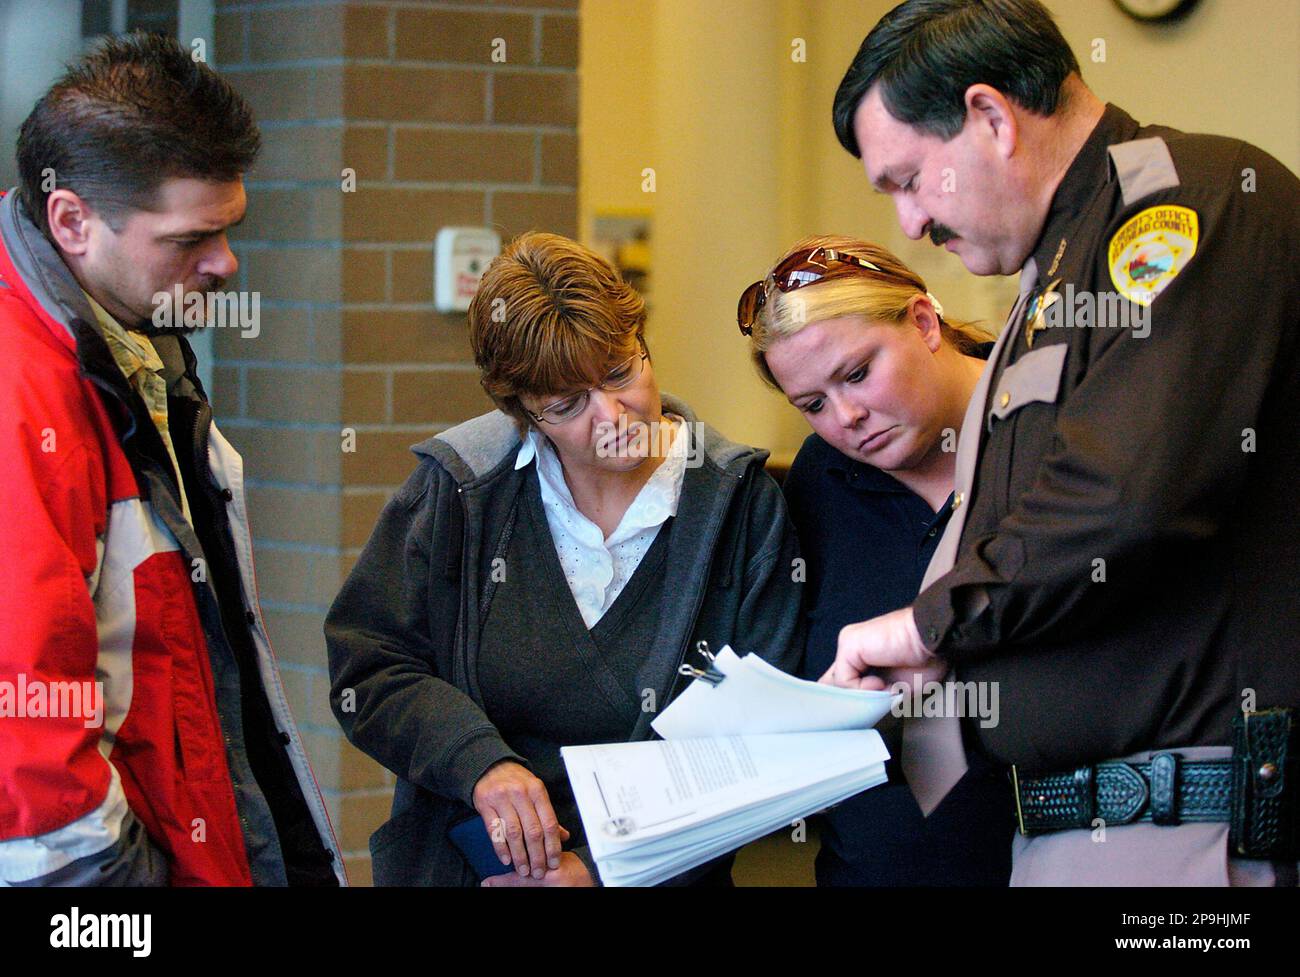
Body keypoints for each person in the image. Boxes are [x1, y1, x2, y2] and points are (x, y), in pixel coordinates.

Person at [825, 0, 1300, 885]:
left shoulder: (1180, 202)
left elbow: (1126, 496)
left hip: (1183, 824)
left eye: (908, 180)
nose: (909, 224)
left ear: (991, 118)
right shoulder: (1050, 282)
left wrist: (931, 624)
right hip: (1071, 826)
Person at [326, 231, 803, 886]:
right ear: (522, 409)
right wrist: (479, 764)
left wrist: (606, 868)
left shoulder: (739, 506)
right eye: (567, 404)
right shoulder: (460, 490)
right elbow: (369, 666)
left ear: (643, 342)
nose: (611, 416)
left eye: (619, 373)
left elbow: (753, 733)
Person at [0, 33, 343, 885]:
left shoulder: (129, 336)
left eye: (230, 230)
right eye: (191, 239)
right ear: (71, 220)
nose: (224, 263)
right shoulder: (22, 393)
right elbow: (29, 748)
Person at [740, 234, 1011, 885]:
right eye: (812, 405)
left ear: (923, 322)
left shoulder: (1040, 431)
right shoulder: (822, 478)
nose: (848, 416)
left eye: (858, 373)